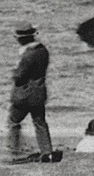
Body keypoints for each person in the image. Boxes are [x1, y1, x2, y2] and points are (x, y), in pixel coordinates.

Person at [6, 25, 57, 163]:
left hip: (24, 94)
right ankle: (47, 152)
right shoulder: (43, 50)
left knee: (13, 121)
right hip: (39, 93)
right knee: (40, 122)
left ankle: (15, 153)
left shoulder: (28, 54)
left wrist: (13, 73)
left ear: (22, 39)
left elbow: (19, 76)